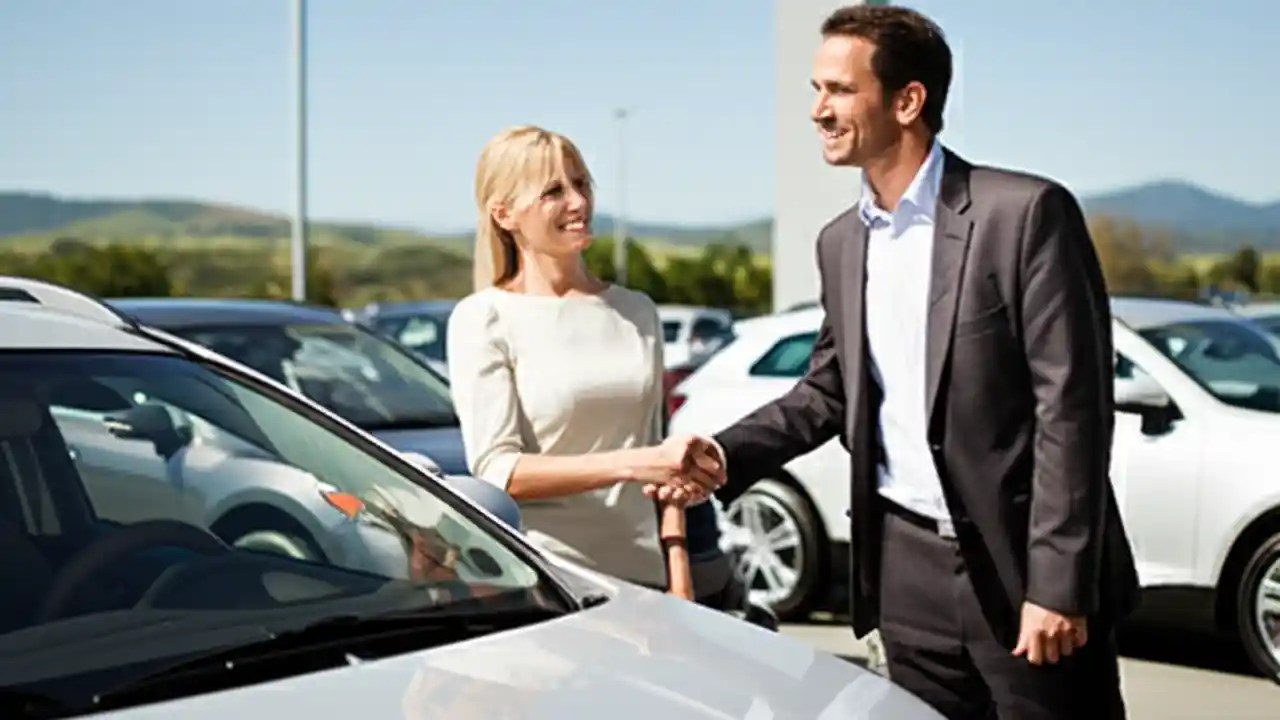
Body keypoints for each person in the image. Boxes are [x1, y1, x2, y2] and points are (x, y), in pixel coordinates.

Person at [698, 5, 1141, 718]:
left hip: (1022, 574)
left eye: (840, 90)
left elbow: (1072, 411)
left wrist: (1058, 584)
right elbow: (830, 390)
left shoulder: (1025, 215)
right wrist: (723, 455)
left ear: (908, 101)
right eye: (816, 89)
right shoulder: (841, 242)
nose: (818, 110)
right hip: (905, 579)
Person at [446, 125, 727, 599]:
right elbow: (498, 471)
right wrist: (635, 464)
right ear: (504, 213)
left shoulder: (637, 311)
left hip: (644, 579)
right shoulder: (484, 318)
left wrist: (678, 571)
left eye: (581, 184)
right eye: (554, 191)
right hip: (546, 583)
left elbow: (658, 459)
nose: (578, 202)